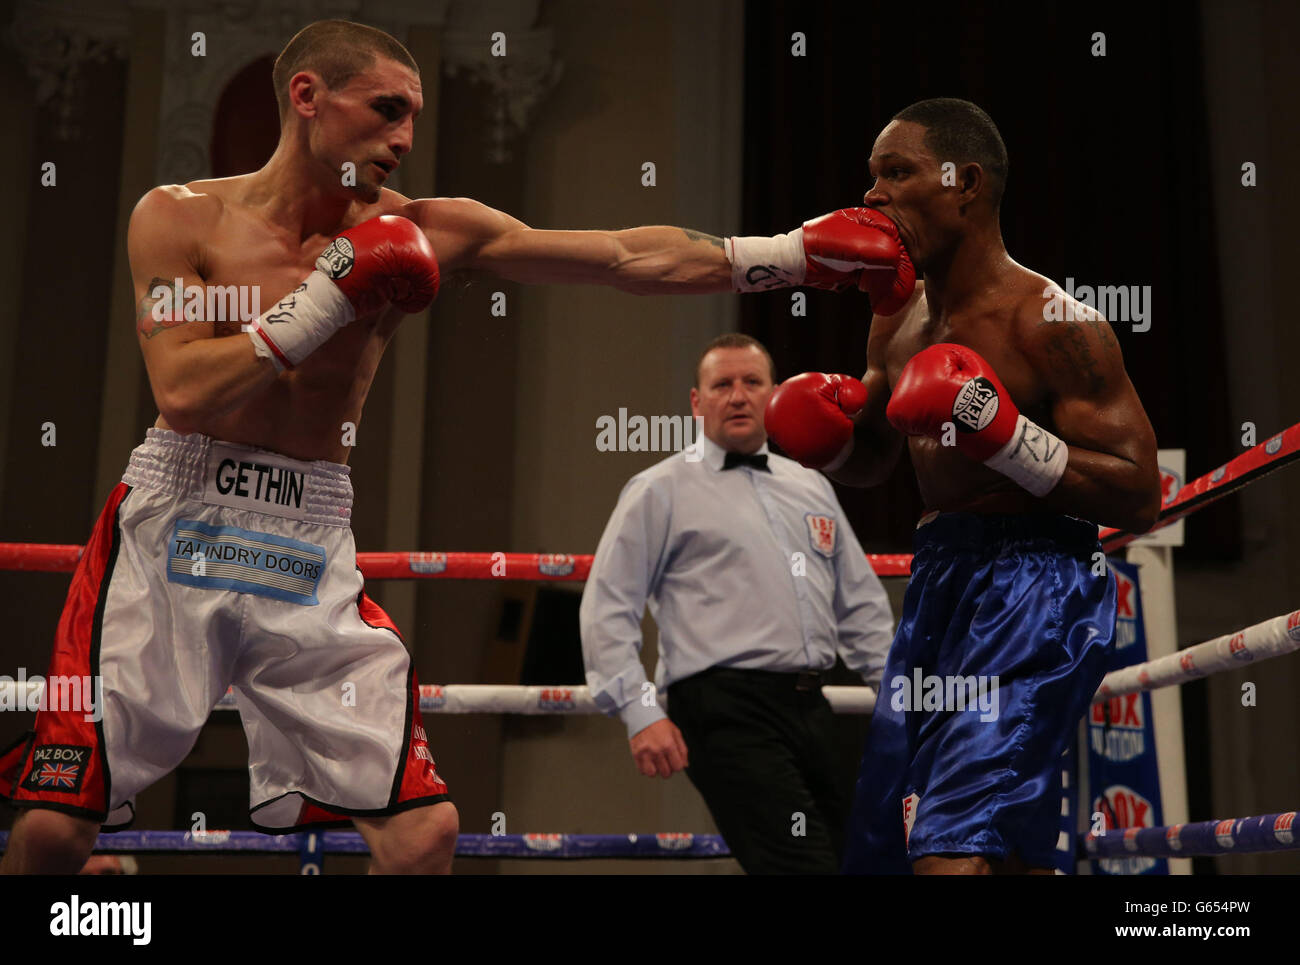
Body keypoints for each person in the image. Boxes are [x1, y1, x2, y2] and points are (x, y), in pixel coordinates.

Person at [0, 20, 914, 875]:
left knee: (425, 829)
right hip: (176, 526)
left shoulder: (427, 226)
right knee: (54, 825)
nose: (404, 137)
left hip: (306, 534)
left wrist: (791, 254)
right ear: (307, 96)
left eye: (415, 117)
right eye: (385, 110)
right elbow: (182, 390)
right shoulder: (178, 218)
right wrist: (331, 295)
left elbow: (624, 255)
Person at [764, 97, 1161, 875]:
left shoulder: (1052, 320)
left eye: (896, 172)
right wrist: (829, 440)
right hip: (940, 579)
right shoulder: (898, 317)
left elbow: (1139, 494)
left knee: (951, 842)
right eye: (871, 177)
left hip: (1035, 585)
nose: (873, 197)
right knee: (904, 839)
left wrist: (1007, 435)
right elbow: (879, 457)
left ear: (965, 182)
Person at [579, 334, 895, 873]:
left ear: (774, 395)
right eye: (721, 385)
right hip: (722, 709)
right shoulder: (661, 489)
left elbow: (860, 606)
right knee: (803, 864)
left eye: (752, 382)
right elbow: (608, 604)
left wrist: (902, 694)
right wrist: (638, 708)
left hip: (812, 707)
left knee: (862, 859)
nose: (738, 395)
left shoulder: (810, 486)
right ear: (698, 403)